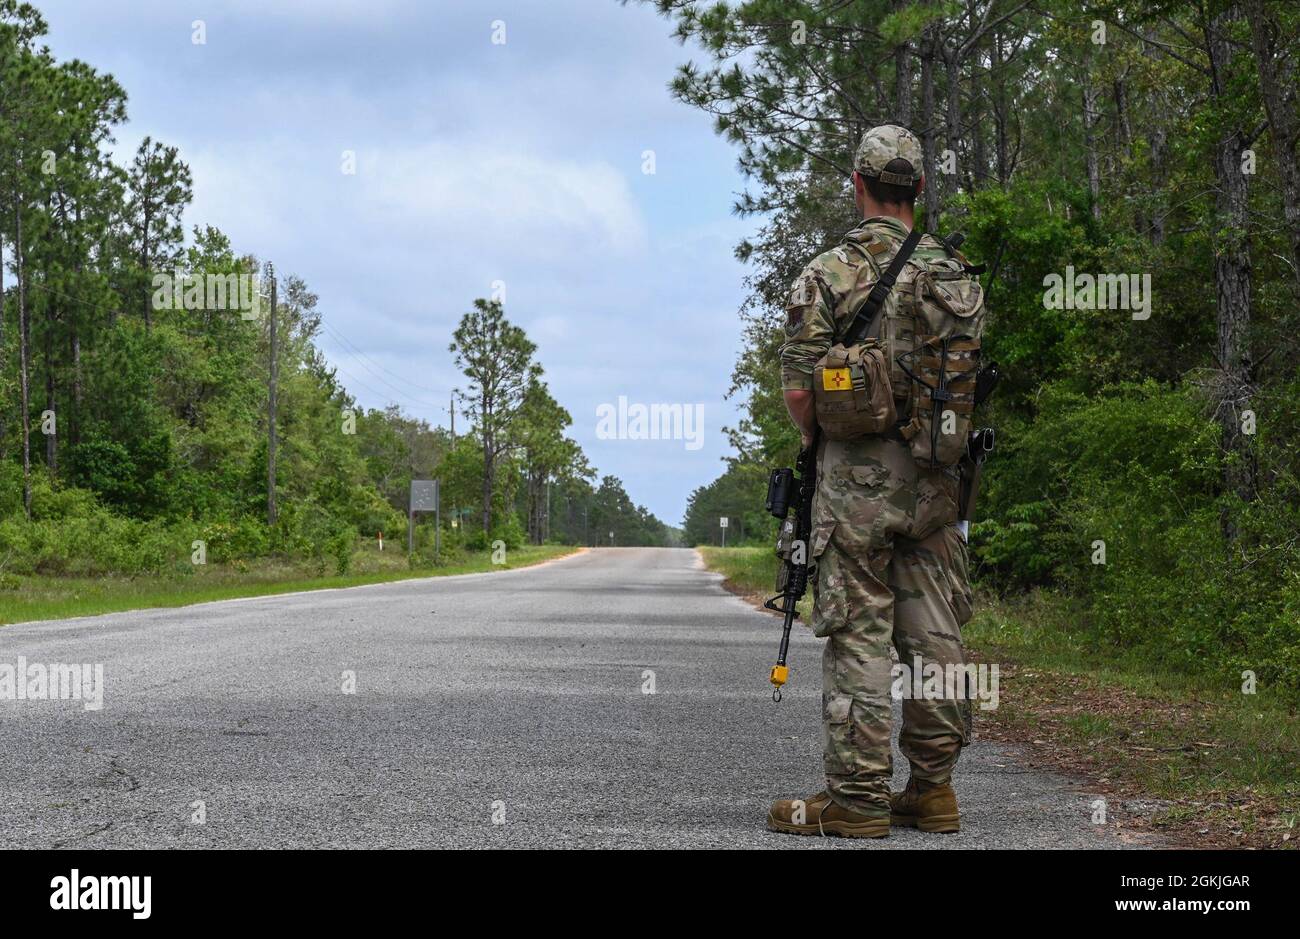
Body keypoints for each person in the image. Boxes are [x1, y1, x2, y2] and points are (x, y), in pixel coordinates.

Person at [766, 124, 986, 838]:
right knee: (934, 631)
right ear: (918, 190)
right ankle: (934, 790)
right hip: (937, 478)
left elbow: (801, 389)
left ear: (857, 185)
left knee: (859, 630)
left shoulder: (829, 271)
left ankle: (859, 798)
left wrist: (819, 441)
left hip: (856, 484)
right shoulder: (956, 276)